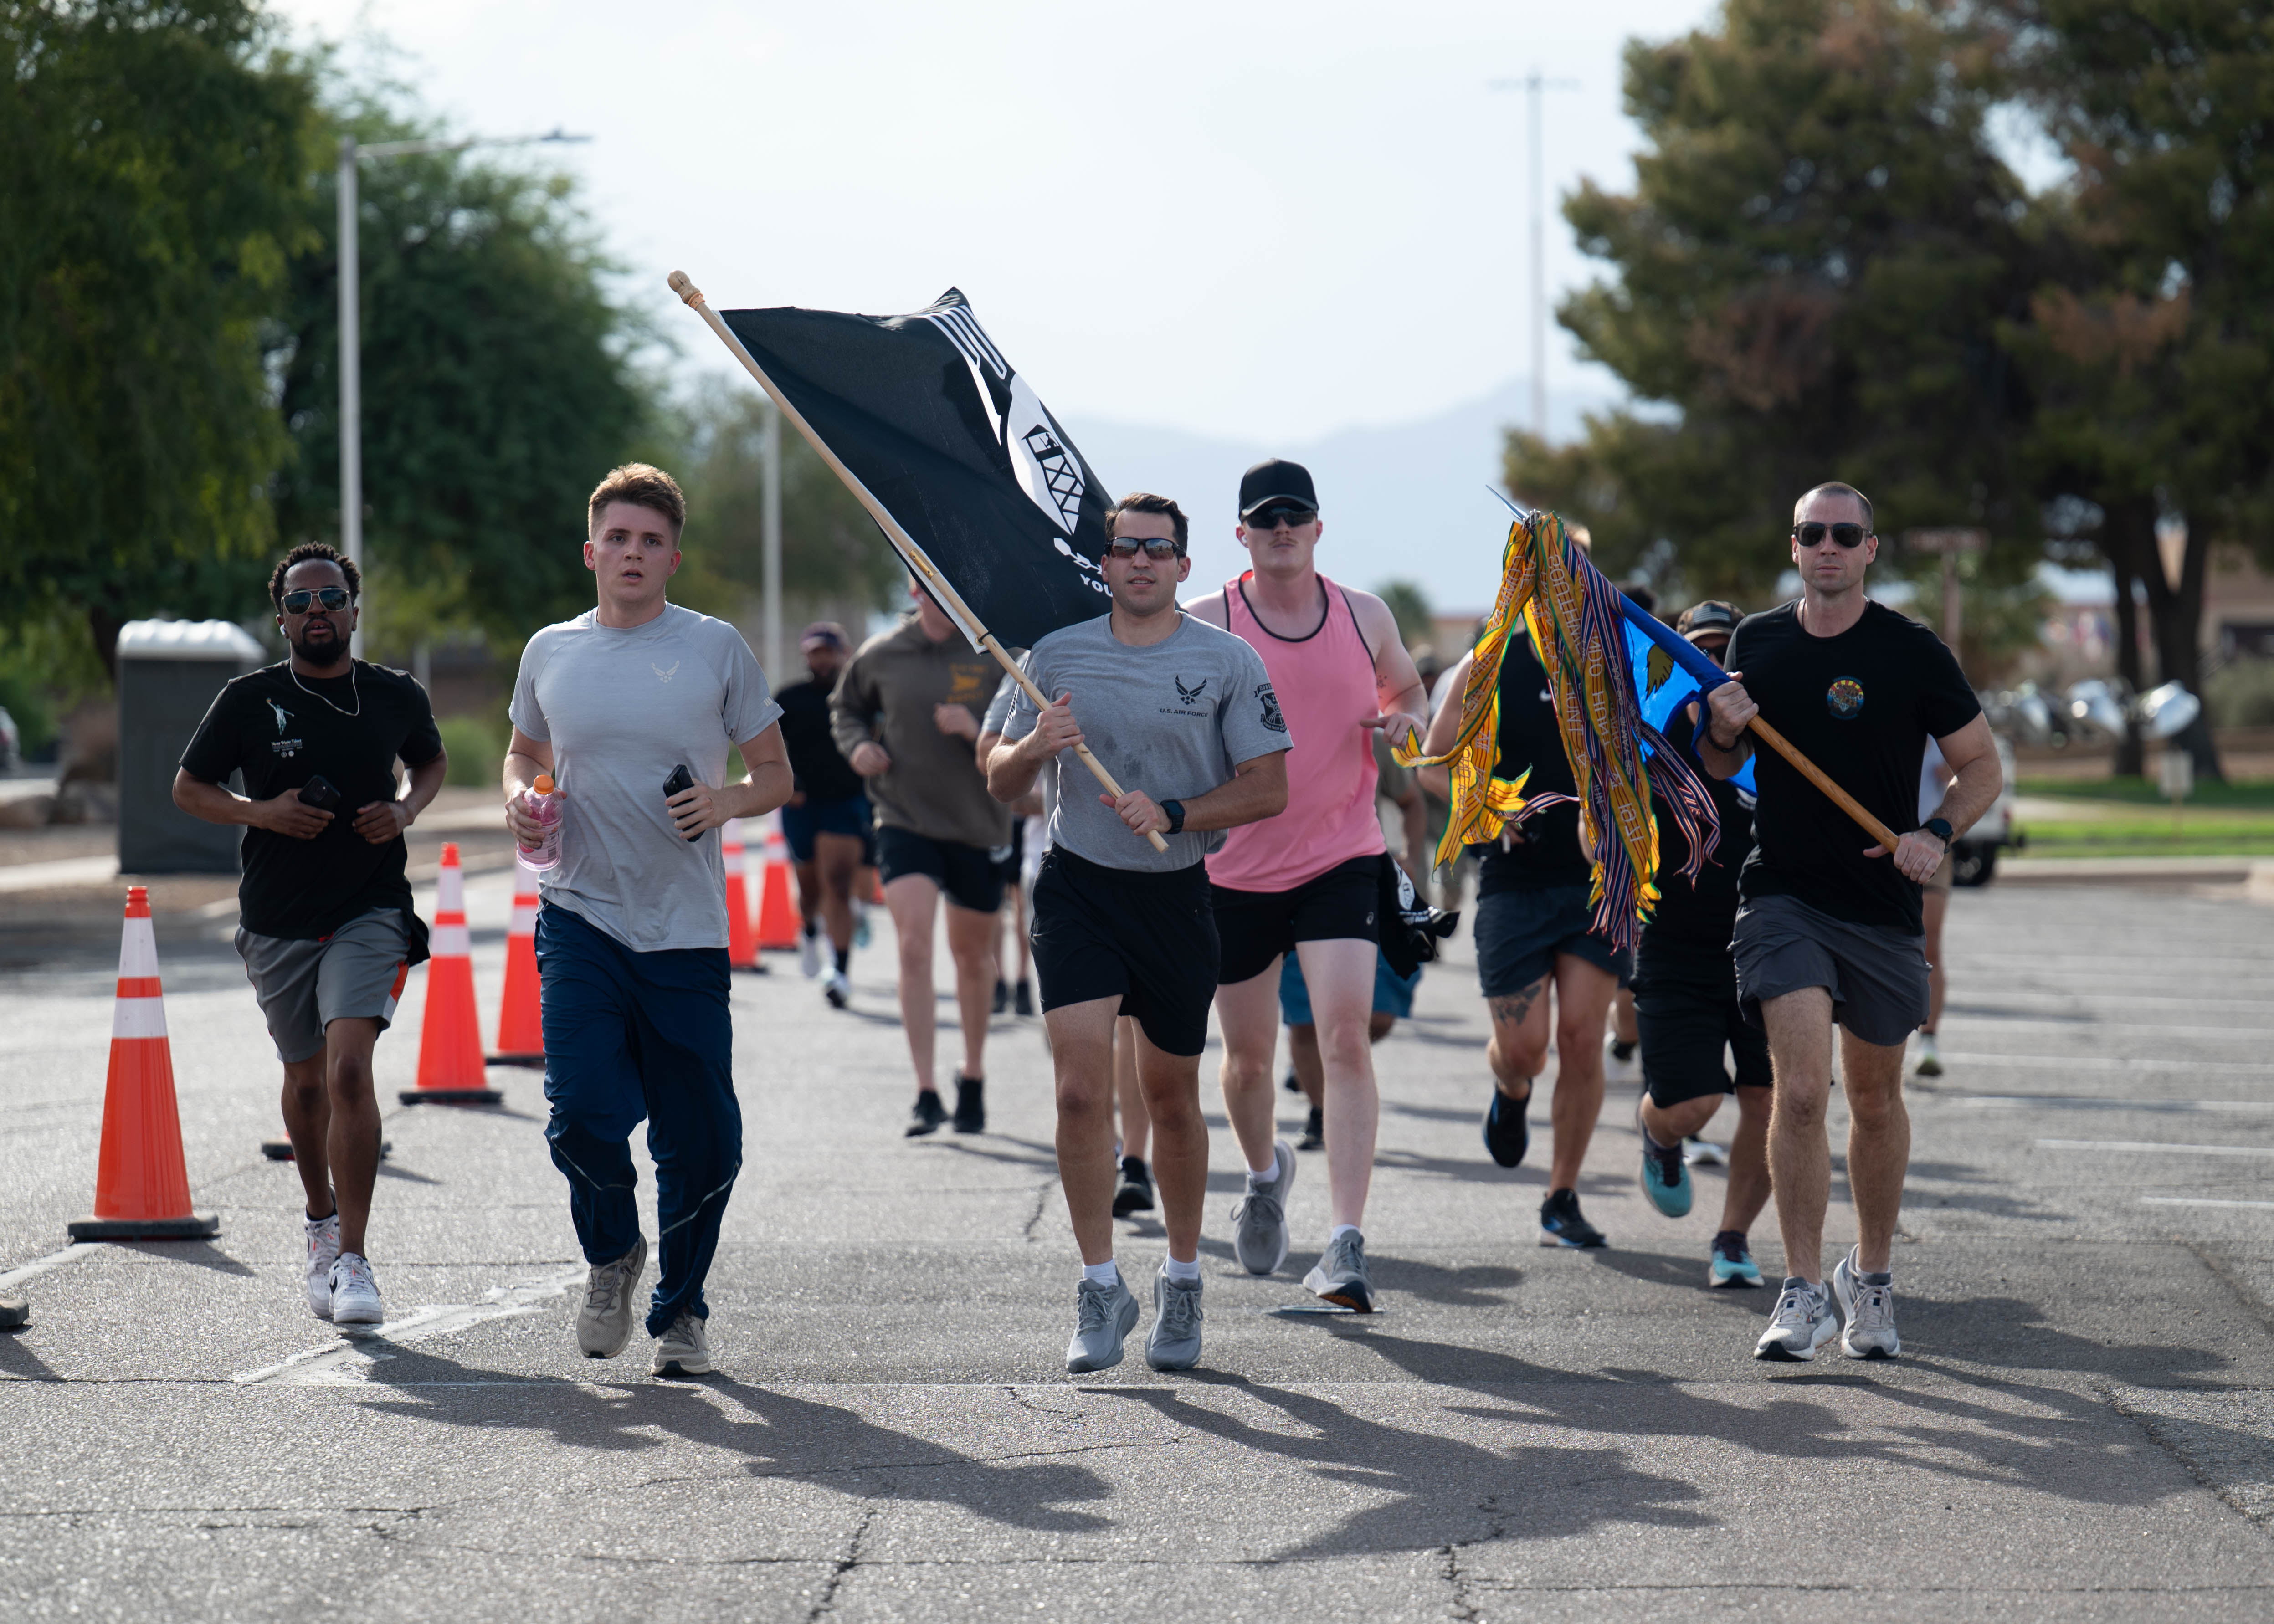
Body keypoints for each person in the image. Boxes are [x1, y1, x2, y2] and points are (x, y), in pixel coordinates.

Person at [987, 491, 1288, 1374]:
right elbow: (1001, 783)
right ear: (1105, 563)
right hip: (1078, 888)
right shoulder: (1057, 653)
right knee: (1080, 1092)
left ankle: (1184, 1277)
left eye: (1158, 550)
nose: (1141, 563)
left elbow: (1268, 788)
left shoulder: (1227, 661)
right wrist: (1036, 745)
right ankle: (1097, 1284)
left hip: (1175, 894)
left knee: (1168, 1099)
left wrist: (1177, 808)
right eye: (1125, 550)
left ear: (1182, 565)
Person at [1699, 482, 2000, 1361]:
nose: (1827, 546)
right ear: (1793, 547)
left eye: (1844, 533)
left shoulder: (1910, 651)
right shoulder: (1754, 643)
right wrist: (1722, 730)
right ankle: (1798, 1291)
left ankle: (1866, 1279)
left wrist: (1935, 832)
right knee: (1799, 1092)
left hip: (1880, 906)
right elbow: (1721, 770)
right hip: (1783, 897)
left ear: (1871, 548)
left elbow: (1977, 766)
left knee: (1874, 1098)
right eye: (1811, 533)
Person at [503, 463, 792, 1378]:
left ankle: (683, 1309)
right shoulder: (550, 649)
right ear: (591, 552)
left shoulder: (713, 649)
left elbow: (776, 775)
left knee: (698, 1134)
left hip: (686, 932)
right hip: (580, 915)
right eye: (617, 539)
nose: (632, 553)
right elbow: (522, 752)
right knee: (581, 1116)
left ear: (673, 557)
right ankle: (614, 1253)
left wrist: (724, 803)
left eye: (650, 541)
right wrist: (520, 797)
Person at [175, 542, 447, 1328]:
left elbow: (428, 765)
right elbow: (188, 788)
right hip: (276, 916)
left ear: (355, 612)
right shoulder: (248, 699)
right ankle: (320, 1223)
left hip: (370, 908)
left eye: (330, 598)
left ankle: (356, 1261)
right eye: (300, 602)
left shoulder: (395, 695)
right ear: (282, 618)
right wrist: (261, 812)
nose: (317, 612)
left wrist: (404, 810)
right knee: (304, 1084)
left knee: (350, 1072)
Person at [1186, 458, 1427, 1313]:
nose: (1281, 528)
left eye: (1295, 515)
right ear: (1242, 534)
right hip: (1233, 868)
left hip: (1342, 855)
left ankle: (1346, 1244)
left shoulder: (1364, 614)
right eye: (1264, 518)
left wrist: (1406, 718)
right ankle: (1263, 1176)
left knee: (1345, 1038)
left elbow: (1408, 691)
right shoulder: (1207, 620)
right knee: (1248, 1061)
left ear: (1318, 528)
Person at [1416, 561, 1629, 1251]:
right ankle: (1510, 1092)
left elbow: (1648, 752)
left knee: (1579, 1042)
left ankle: (1560, 1195)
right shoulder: (1489, 659)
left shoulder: (1613, 662)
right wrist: (1484, 805)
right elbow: (1438, 755)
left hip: (1595, 884)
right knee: (1526, 1049)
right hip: (1513, 884)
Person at [1629, 601, 1776, 1287]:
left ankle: (1732, 1239)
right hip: (1675, 947)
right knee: (1693, 1105)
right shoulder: (1651, 737)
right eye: (1698, 651)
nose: (1711, 663)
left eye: (1726, 650)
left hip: (1769, 941)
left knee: (1777, 1103)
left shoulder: (1776, 735)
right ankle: (1658, 1134)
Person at [832, 579, 1012, 1137]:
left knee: (973, 958)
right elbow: (846, 709)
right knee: (913, 944)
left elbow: (1021, 734)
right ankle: (925, 1090)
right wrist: (858, 746)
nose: (947, 597)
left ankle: (973, 1074)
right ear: (914, 591)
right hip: (903, 818)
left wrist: (973, 732)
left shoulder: (994, 655)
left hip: (977, 823)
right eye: (933, 587)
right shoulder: (883, 654)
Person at [775, 622, 871, 1009]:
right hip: (800, 803)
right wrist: (787, 784)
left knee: (839, 882)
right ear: (806, 655)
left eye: (829, 651)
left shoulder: (859, 698)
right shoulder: (789, 698)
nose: (822, 658)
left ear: (842, 654)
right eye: (816, 652)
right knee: (810, 885)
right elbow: (765, 749)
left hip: (846, 800)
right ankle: (810, 931)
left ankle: (842, 971)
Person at [1279, 949, 1418, 1152]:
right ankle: (1321, 1112)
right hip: (1298, 923)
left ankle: (1320, 1059)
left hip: (1372, 922)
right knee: (1305, 1023)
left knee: (1379, 1017)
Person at [1914, 738, 1954, 1077]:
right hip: (1883, 840)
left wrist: (1956, 773)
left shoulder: (1943, 728)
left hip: (1932, 845)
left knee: (1930, 945)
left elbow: (1977, 768)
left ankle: (1929, 1039)